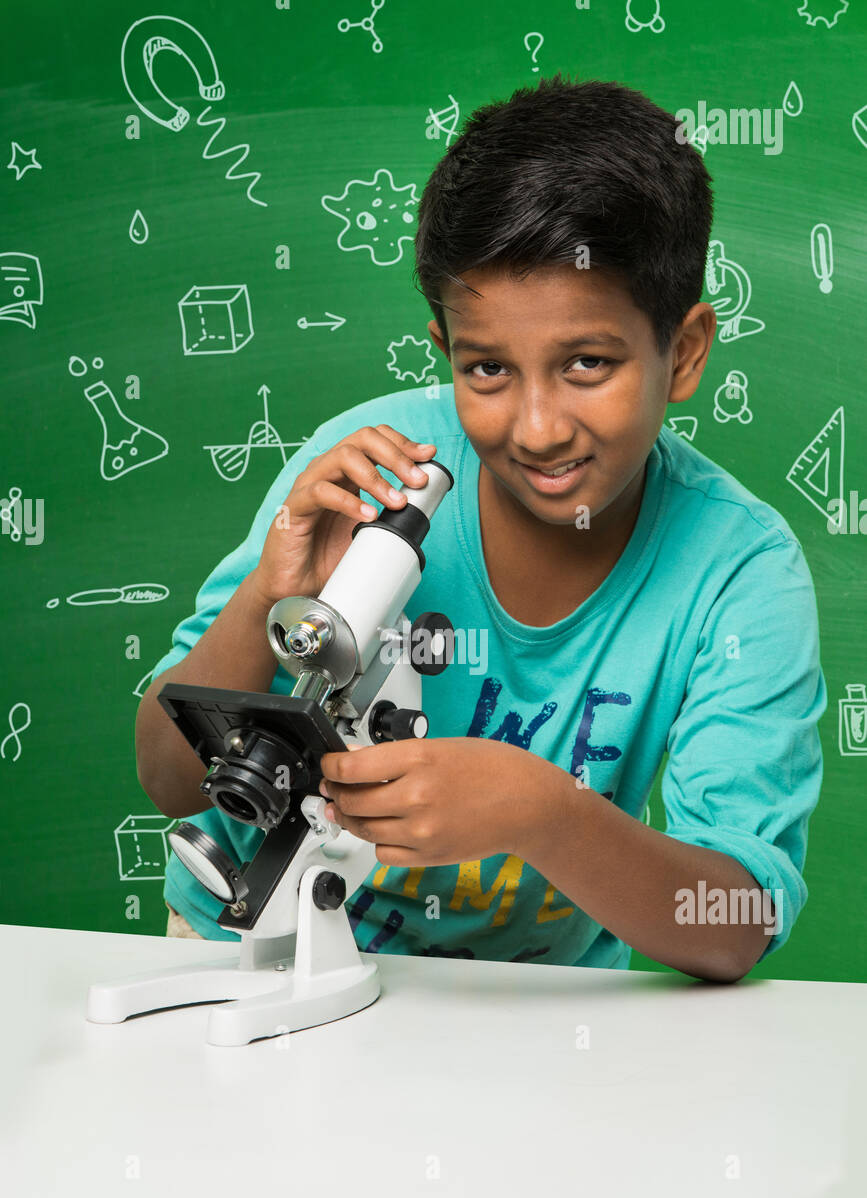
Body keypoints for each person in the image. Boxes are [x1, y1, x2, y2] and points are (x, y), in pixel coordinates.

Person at [136, 75, 826, 982]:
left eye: (586, 362)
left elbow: (734, 920)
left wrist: (540, 810)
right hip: (256, 960)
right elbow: (167, 775)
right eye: (489, 369)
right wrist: (271, 596)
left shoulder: (740, 571)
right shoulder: (363, 472)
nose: (536, 426)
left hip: (532, 1009)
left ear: (685, 351)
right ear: (444, 350)